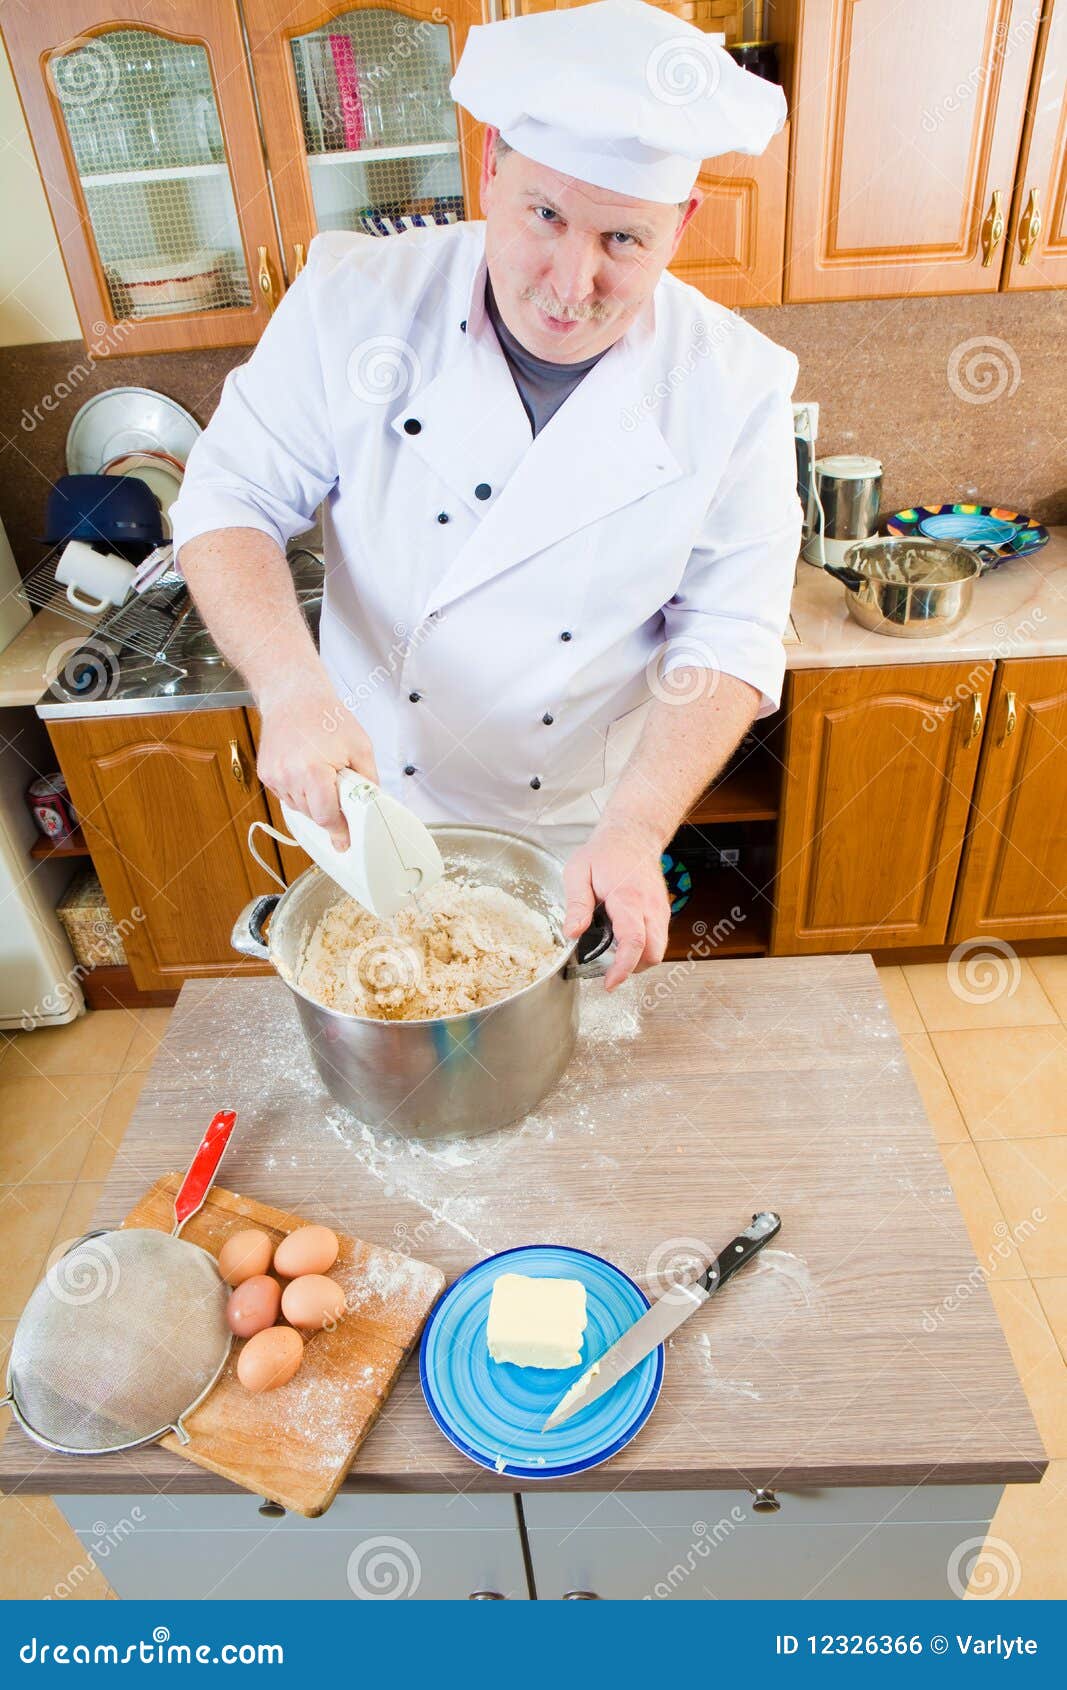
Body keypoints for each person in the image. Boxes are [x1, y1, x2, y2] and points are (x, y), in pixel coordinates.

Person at [169, 0, 801, 990]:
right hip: (368, 798)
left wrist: (635, 826)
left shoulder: (734, 384)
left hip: (580, 827)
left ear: (681, 223)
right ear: (489, 172)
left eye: (622, 241)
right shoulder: (355, 305)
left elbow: (730, 631)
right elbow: (228, 498)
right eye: (543, 216)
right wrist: (290, 689)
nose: (569, 282)